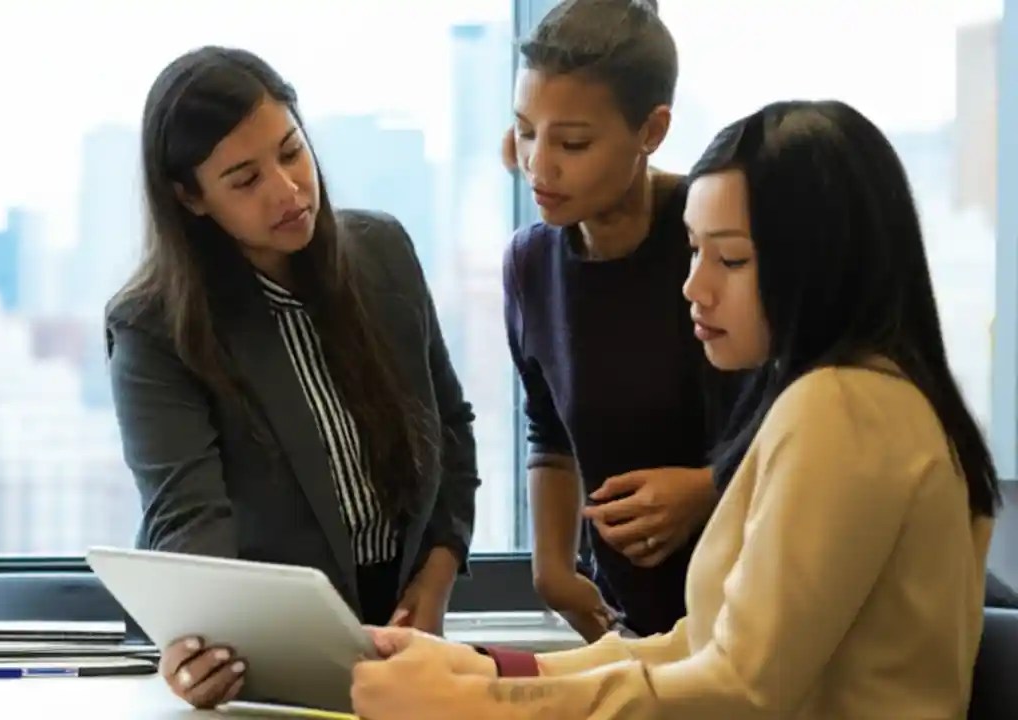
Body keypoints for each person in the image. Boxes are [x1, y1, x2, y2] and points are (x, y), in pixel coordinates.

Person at [349, 99, 1001, 719]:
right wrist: (488, 671)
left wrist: (484, 705)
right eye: (694, 250)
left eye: (732, 259)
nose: (695, 285)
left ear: (820, 264)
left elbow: (742, 690)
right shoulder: (850, 393)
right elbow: (702, 647)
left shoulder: (846, 405)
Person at [105, 46, 481, 710]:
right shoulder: (155, 328)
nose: (287, 190)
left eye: (290, 151)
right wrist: (196, 646)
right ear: (190, 198)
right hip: (270, 668)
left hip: (410, 653)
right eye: (244, 179)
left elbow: (451, 428)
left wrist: (439, 572)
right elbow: (190, 519)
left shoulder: (383, 253)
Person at [502, 0, 744, 640]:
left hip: (757, 611)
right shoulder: (530, 264)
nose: (539, 165)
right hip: (636, 627)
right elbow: (547, 424)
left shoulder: (719, 239)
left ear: (652, 130)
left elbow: (804, 423)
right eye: (526, 132)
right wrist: (551, 567)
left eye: (572, 142)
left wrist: (707, 488)